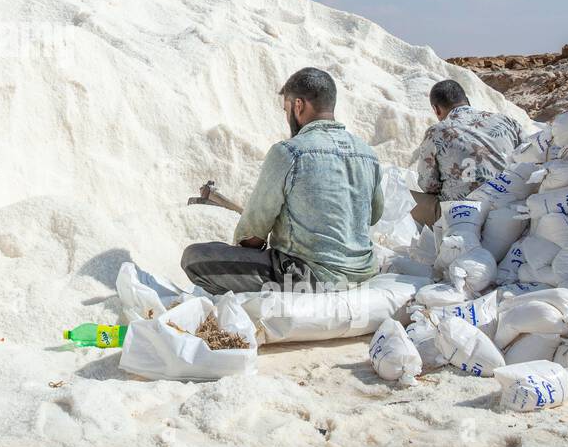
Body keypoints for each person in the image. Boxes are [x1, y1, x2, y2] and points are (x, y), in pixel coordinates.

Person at [181, 68, 384, 294]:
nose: (288, 117)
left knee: (194, 258)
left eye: (286, 110)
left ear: (299, 106)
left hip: (310, 277)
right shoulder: (368, 154)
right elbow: (374, 214)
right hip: (362, 273)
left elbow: (252, 236)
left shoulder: (289, 152)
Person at [410, 79, 523, 226]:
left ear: (436, 109)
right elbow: (529, 157)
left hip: (463, 215)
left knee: (408, 201)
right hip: (510, 206)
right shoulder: (506, 121)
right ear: (467, 101)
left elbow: (428, 185)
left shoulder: (436, 132)